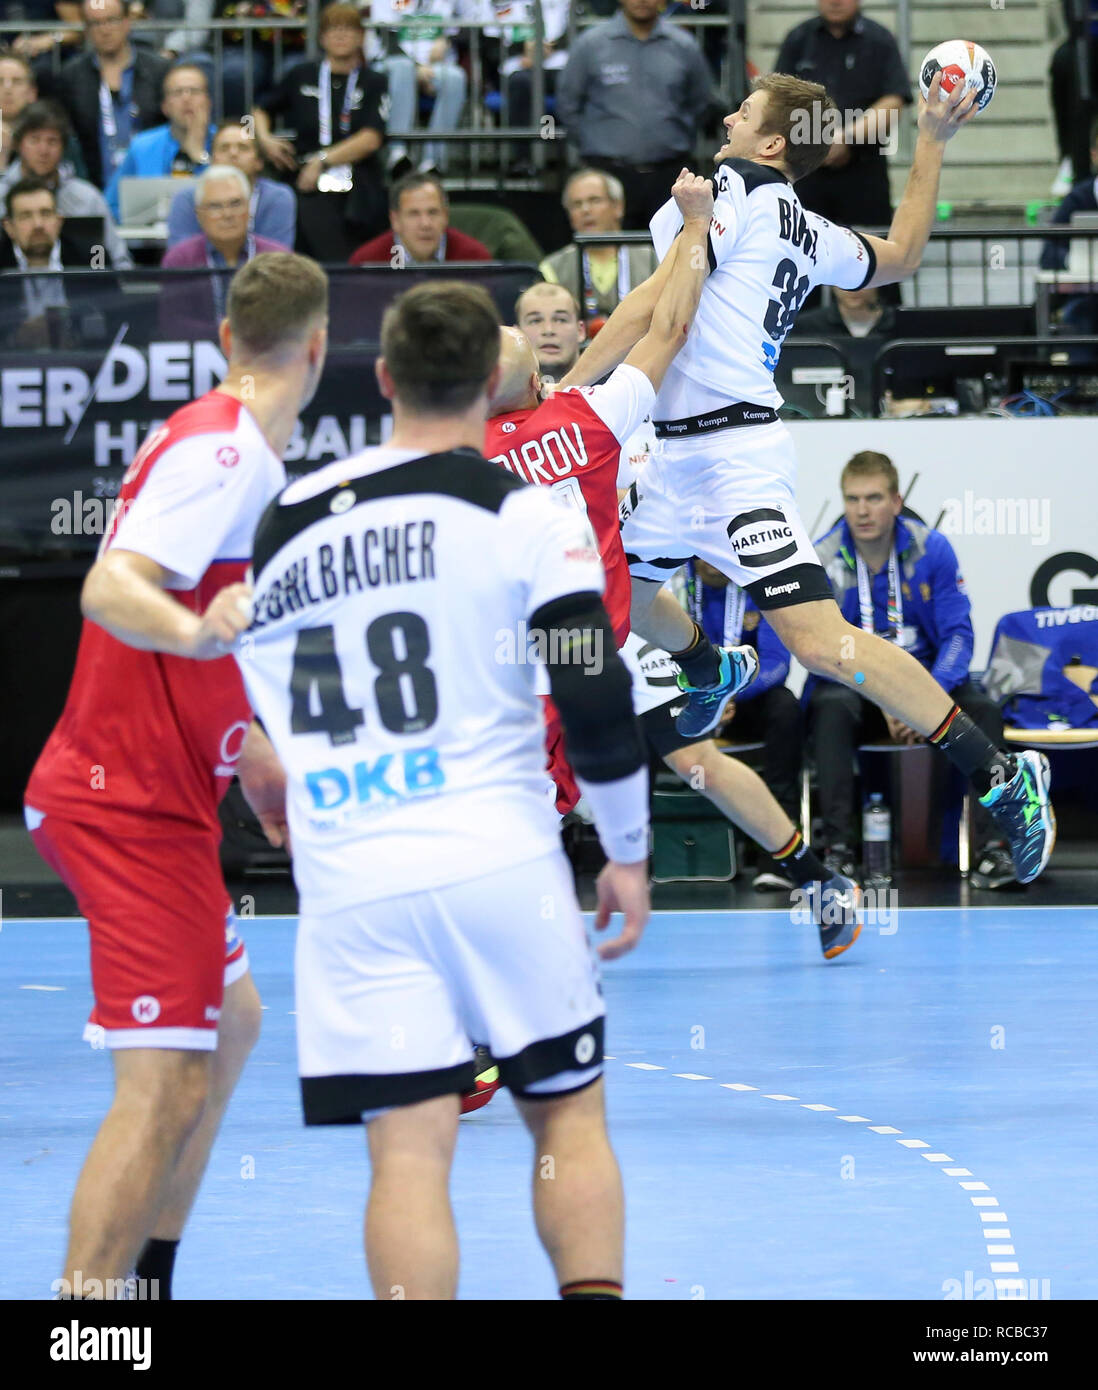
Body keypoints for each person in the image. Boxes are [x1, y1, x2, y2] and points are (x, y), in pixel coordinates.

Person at [237, 280, 651, 1300]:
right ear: (489, 388)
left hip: (356, 876)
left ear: (381, 379)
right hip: (499, 857)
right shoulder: (523, 511)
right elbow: (591, 681)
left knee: (410, 1153)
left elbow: (257, 717)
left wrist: (280, 800)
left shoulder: (288, 517)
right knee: (566, 1115)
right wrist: (628, 850)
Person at [561, 72, 1056, 889]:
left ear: (769, 145)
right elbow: (900, 258)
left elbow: (654, 303)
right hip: (670, 450)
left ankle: (1002, 777)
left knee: (819, 644)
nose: (726, 114)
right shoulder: (801, 221)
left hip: (733, 457)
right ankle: (704, 664)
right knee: (617, 589)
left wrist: (573, 398)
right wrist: (931, 141)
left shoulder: (731, 187)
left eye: (744, 112)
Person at [23, 251, 329, 1299]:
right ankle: (87, 1323)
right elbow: (111, 589)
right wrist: (201, 636)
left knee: (232, 1023)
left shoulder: (226, 442)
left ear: (224, 342)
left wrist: (251, 756)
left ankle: (147, 1280)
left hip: (164, 797)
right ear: (321, 348)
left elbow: (202, 633)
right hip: (123, 804)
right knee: (159, 1086)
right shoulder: (227, 451)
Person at [808, 451, 1018, 890]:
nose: (862, 511)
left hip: (927, 685)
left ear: (897, 501)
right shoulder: (822, 557)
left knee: (985, 712)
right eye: (852, 499)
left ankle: (993, 851)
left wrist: (922, 702)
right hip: (857, 687)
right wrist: (886, 698)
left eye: (874, 498)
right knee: (828, 708)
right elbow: (821, 649)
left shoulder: (932, 549)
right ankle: (839, 853)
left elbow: (959, 638)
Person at [620, 630, 858, 957]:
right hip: (545, 639)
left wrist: (700, 659)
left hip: (606, 627)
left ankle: (818, 881)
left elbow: (647, 594)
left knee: (695, 761)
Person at [680, 558, 807, 892]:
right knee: (637, 716)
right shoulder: (673, 582)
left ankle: (779, 859)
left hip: (743, 703)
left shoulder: (757, 581)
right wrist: (700, 697)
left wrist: (729, 693)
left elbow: (778, 663)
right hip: (686, 702)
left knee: (785, 707)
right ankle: (636, 857)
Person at [556, 0, 713, 230]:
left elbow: (702, 103)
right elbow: (567, 105)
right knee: (608, 254)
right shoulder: (590, 44)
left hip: (670, 174)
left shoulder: (684, 46)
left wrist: (674, 137)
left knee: (672, 253)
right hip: (608, 174)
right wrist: (595, 144)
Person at [254, 2, 387, 261]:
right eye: (333, 29)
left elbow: (371, 139)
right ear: (321, 37)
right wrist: (265, 140)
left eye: (348, 29)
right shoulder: (301, 75)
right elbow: (256, 111)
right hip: (304, 177)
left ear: (361, 36)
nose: (340, 35)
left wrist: (322, 160)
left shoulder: (374, 81)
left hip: (358, 179)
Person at [774, 0, 911, 230]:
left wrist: (845, 138)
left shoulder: (880, 40)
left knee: (871, 251)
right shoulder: (798, 39)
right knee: (805, 252)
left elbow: (893, 101)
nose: (835, 1)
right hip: (806, 173)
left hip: (864, 173)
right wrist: (819, 142)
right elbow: (776, 99)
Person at [160, 163, 290, 337]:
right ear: (199, 215)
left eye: (236, 204)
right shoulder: (180, 259)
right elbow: (173, 323)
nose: (227, 214)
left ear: (249, 209)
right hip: (200, 355)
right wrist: (228, 335)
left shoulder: (278, 258)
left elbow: (290, 321)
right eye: (215, 206)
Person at [0, 100, 131, 266]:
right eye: (34, 140)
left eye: (52, 141)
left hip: (81, 288)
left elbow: (118, 259)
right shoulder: (1, 195)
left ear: (64, 147)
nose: (43, 151)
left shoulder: (87, 198)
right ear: (18, 145)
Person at [56, 0, 170, 190]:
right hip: (93, 182)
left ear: (127, 22)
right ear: (86, 29)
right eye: (95, 23)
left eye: (112, 20)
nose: (104, 30)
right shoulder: (71, 76)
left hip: (152, 181)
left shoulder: (159, 70)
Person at [540, 169, 658, 329]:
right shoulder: (552, 268)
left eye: (594, 200)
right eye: (577, 204)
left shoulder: (653, 259)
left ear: (618, 207)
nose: (585, 210)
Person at [0, 176, 106, 347]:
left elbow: (114, 316)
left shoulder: (92, 256)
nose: (38, 224)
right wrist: (15, 338)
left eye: (46, 213)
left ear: (58, 221)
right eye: (26, 216)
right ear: (9, 227)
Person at [104, 61, 216, 220]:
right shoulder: (142, 146)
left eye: (194, 91)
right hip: (151, 241)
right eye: (177, 92)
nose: (186, 98)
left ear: (208, 102)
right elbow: (110, 205)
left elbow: (231, 200)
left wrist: (200, 156)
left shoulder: (226, 142)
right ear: (165, 106)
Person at [367, 0, 466, 176]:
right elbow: (386, 36)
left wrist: (447, 40)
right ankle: (397, 153)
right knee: (404, 68)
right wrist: (416, 68)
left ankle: (433, 162)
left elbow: (470, 24)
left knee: (455, 78)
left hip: (436, 66)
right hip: (392, 62)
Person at [166, 115, 295, 248]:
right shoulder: (187, 199)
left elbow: (278, 258)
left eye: (243, 148)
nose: (233, 153)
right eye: (224, 148)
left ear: (258, 161)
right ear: (213, 159)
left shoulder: (277, 197)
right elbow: (180, 258)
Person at [349, 170, 490, 265]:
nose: (425, 224)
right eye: (414, 214)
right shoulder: (368, 261)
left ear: (445, 216)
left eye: (433, 212)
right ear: (395, 220)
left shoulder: (474, 258)